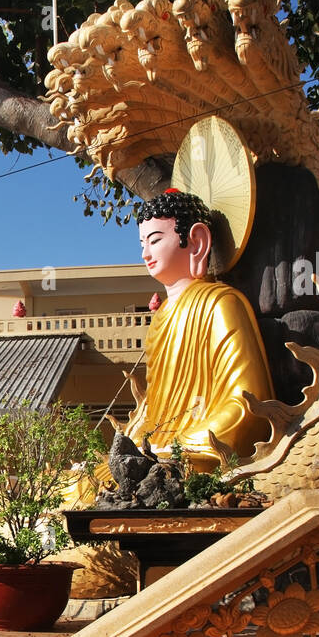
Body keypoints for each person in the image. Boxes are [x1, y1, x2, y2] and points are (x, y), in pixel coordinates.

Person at [123, 189, 275, 471]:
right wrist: (135, 443)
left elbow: (247, 403)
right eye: (142, 243)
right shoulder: (159, 320)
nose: (145, 253)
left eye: (155, 240)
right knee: (79, 485)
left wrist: (186, 442)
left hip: (197, 451)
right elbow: (156, 408)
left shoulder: (221, 303)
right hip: (159, 449)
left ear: (197, 241)